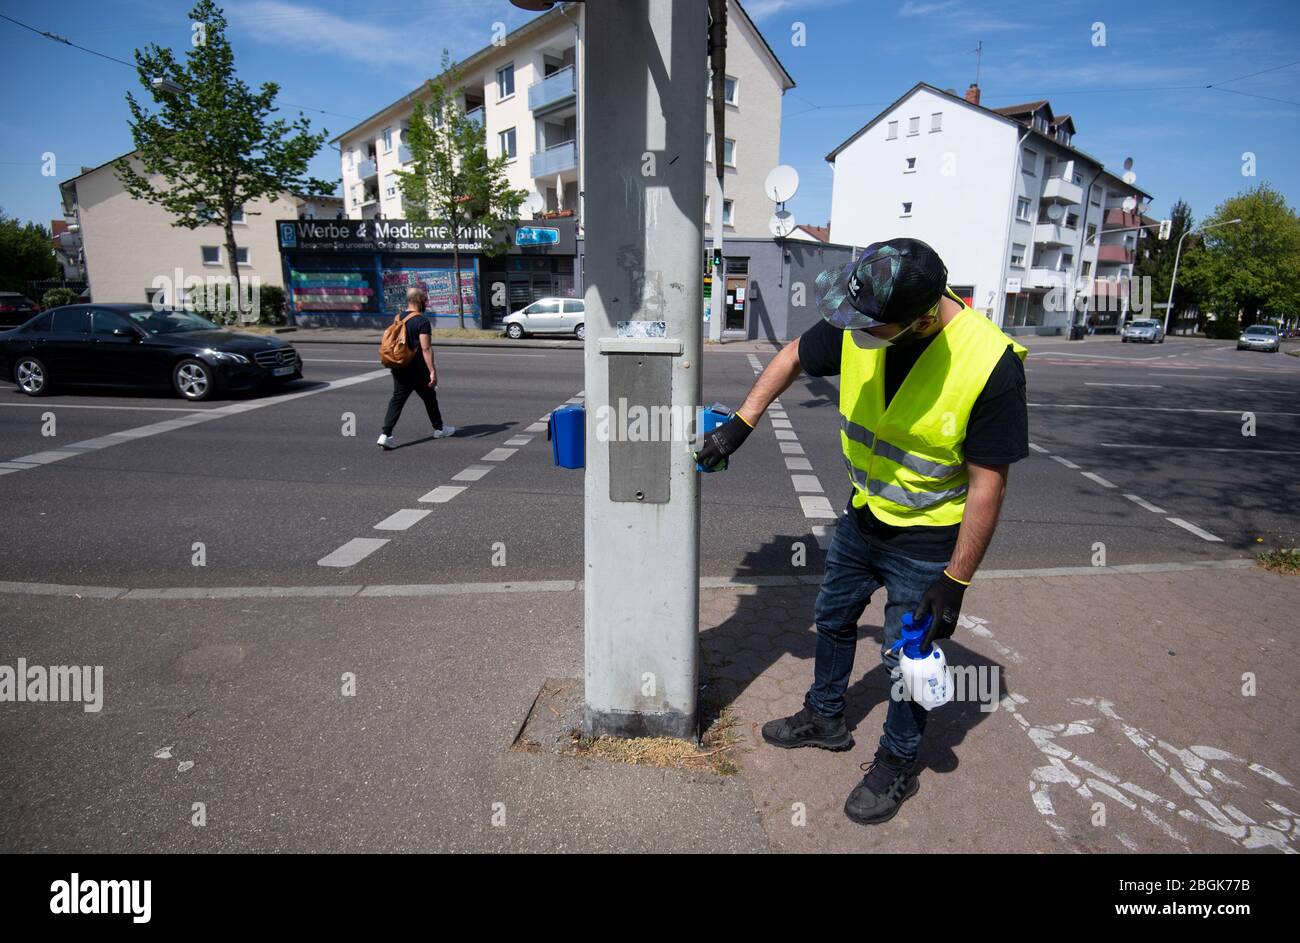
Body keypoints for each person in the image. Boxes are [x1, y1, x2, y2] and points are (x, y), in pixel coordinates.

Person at [694, 238, 1028, 825]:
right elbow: (796, 352)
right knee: (834, 617)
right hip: (861, 516)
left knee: (909, 662)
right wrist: (742, 424)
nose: (855, 333)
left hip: (927, 542)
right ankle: (825, 718)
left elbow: (987, 484)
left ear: (922, 319)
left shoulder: (990, 364)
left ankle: (897, 763)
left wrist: (956, 581)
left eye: (871, 327)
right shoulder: (867, 318)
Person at [377, 287, 456, 449]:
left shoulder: (399, 317)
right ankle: (439, 428)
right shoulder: (422, 321)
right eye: (425, 299)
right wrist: (432, 371)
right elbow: (426, 348)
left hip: (399, 366)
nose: (426, 302)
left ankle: (385, 434)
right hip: (417, 369)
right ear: (419, 301)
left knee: (400, 400)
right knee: (429, 398)